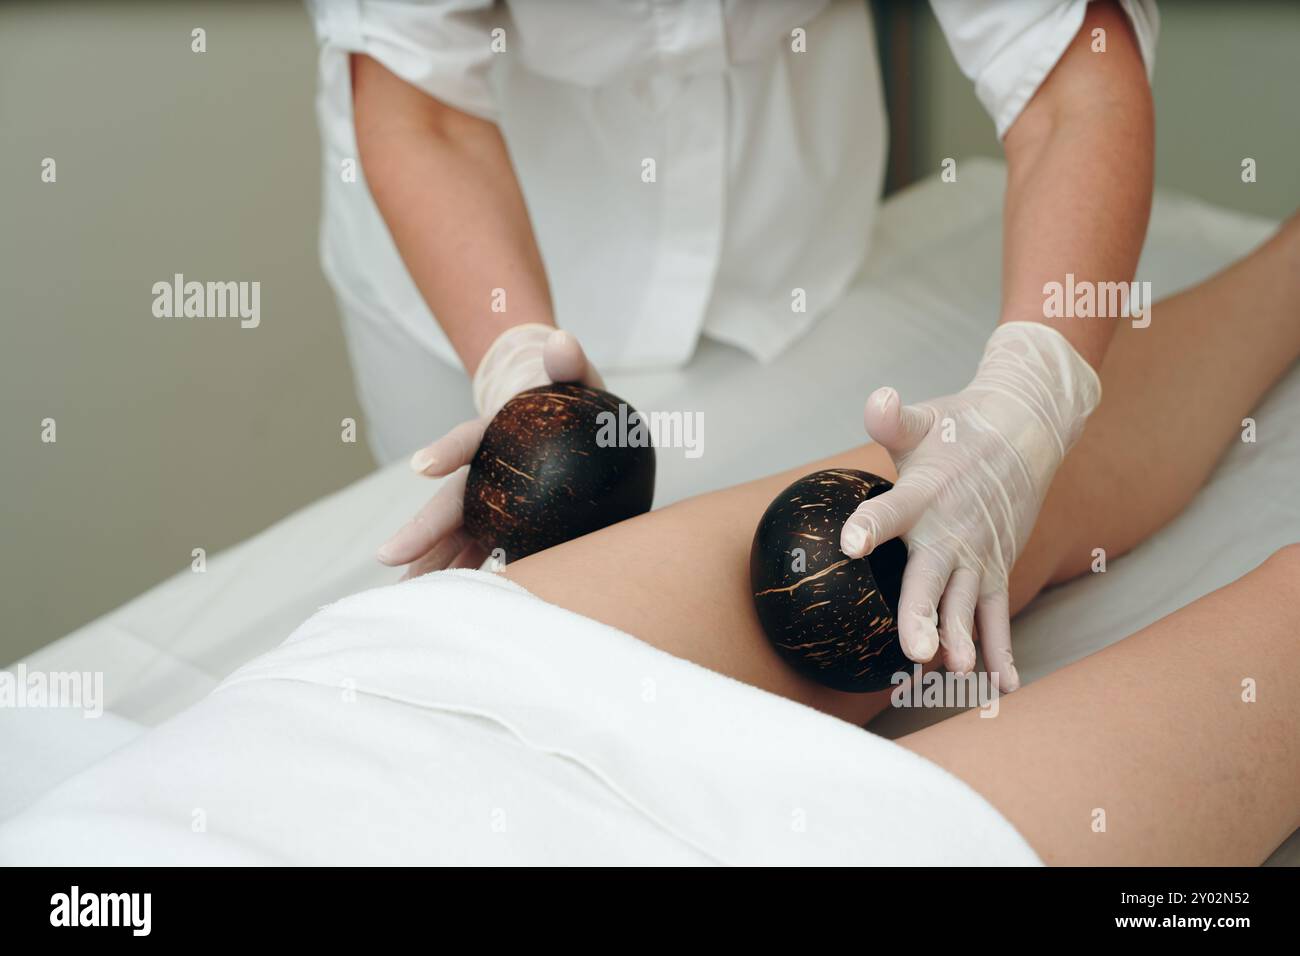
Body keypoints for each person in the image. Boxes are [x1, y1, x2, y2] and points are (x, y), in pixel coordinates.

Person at [306, 0, 1161, 690]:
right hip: (481, 257)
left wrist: (1035, 388)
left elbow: (1067, 77)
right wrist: (515, 363)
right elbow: (420, 102)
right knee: (487, 633)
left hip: (788, 250)